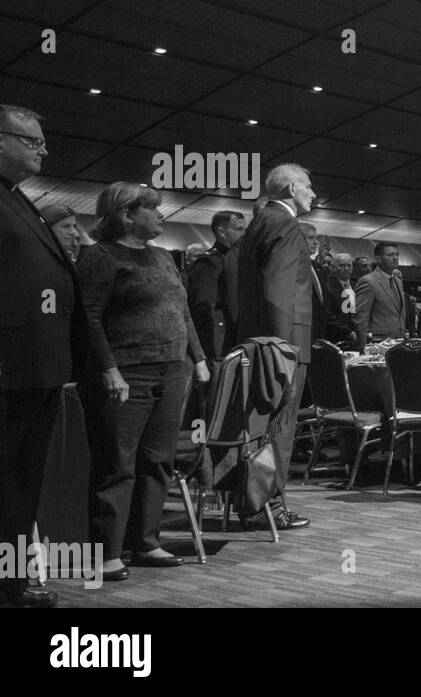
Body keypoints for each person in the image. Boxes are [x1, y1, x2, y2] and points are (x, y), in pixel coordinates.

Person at [79, 182, 210, 581]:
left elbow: (182, 311)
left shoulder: (163, 257)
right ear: (126, 215)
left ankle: (146, 542)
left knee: (158, 461)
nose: (161, 215)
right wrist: (108, 368)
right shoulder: (100, 256)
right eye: (153, 209)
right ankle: (106, 552)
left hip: (172, 370)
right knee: (117, 463)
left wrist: (199, 358)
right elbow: (89, 317)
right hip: (126, 371)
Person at [0, 105, 87, 608]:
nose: (43, 149)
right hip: (10, 367)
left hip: (35, 369)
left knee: (20, 484)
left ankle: (11, 583)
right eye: (31, 141)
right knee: (7, 483)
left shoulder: (20, 199)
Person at [235, 163, 316, 531]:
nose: (313, 194)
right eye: (308, 187)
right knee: (279, 431)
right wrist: (283, 349)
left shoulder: (259, 222)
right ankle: (270, 505)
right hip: (283, 344)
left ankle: (256, 504)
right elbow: (279, 290)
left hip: (257, 340)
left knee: (260, 430)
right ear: (290, 188)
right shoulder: (284, 223)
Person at [187, 211, 247, 371]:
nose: (244, 234)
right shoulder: (209, 263)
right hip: (219, 344)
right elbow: (203, 308)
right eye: (239, 229)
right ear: (221, 231)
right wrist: (207, 352)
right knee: (217, 392)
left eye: (245, 230)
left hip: (237, 340)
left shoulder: (239, 261)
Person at [354, 242, 406, 341]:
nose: (395, 258)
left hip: (398, 341)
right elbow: (361, 319)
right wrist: (363, 346)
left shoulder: (398, 281)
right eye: (390, 255)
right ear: (378, 259)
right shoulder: (368, 281)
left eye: (397, 255)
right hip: (377, 343)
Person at [322, 252, 356, 347]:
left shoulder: (357, 285)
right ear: (333, 267)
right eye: (341, 266)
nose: (346, 269)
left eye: (349, 265)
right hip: (337, 340)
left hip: (359, 337)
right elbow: (328, 315)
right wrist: (348, 332)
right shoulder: (327, 286)